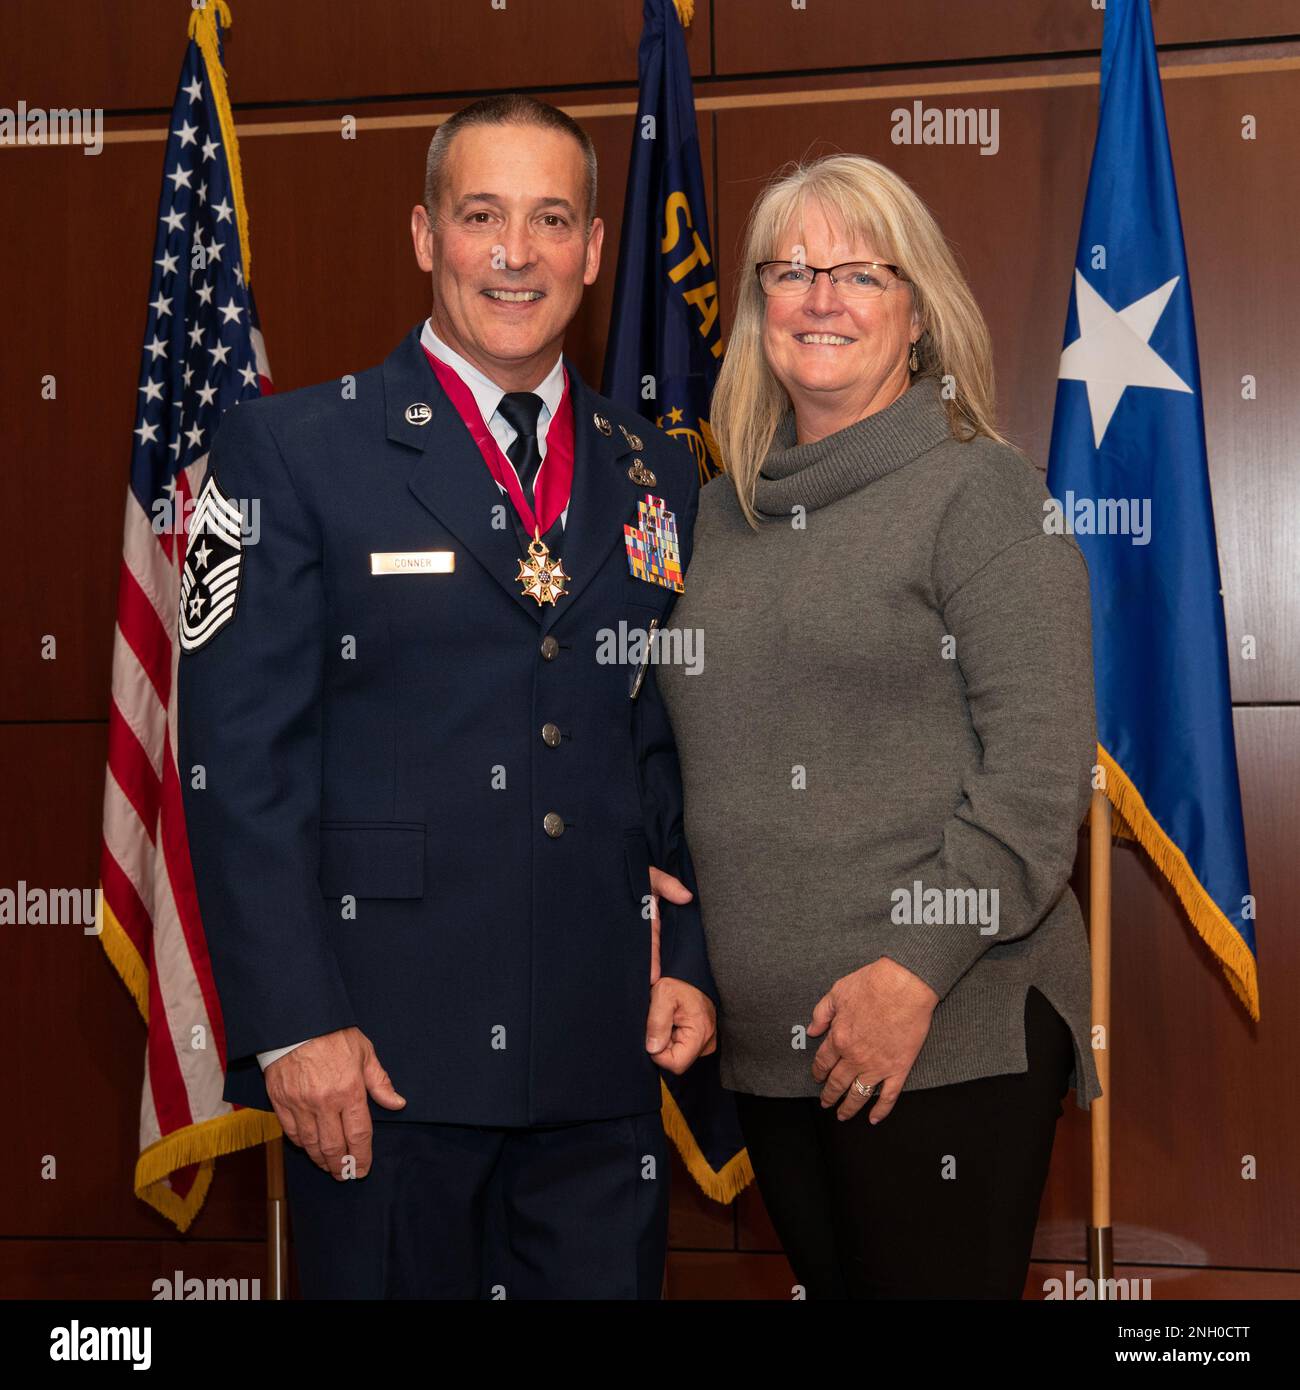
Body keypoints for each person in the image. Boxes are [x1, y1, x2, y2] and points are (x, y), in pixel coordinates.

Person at [177, 94, 717, 1300]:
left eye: (549, 220)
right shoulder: (293, 451)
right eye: (480, 216)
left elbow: (664, 729)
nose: (513, 254)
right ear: (425, 236)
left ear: (590, 248)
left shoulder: (656, 469)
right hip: (380, 1061)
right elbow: (235, 765)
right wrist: (294, 1023)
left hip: (598, 1060)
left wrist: (687, 948)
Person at [655, 154, 1103, 1299]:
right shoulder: (713, 514)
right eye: (791, 272)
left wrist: (911, 973)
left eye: (859, 271)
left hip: (951, 1025)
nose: (820, 297)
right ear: (756, 312)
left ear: (918, 311)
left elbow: (1039, 783)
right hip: (771, 1048)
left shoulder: (981, 492)